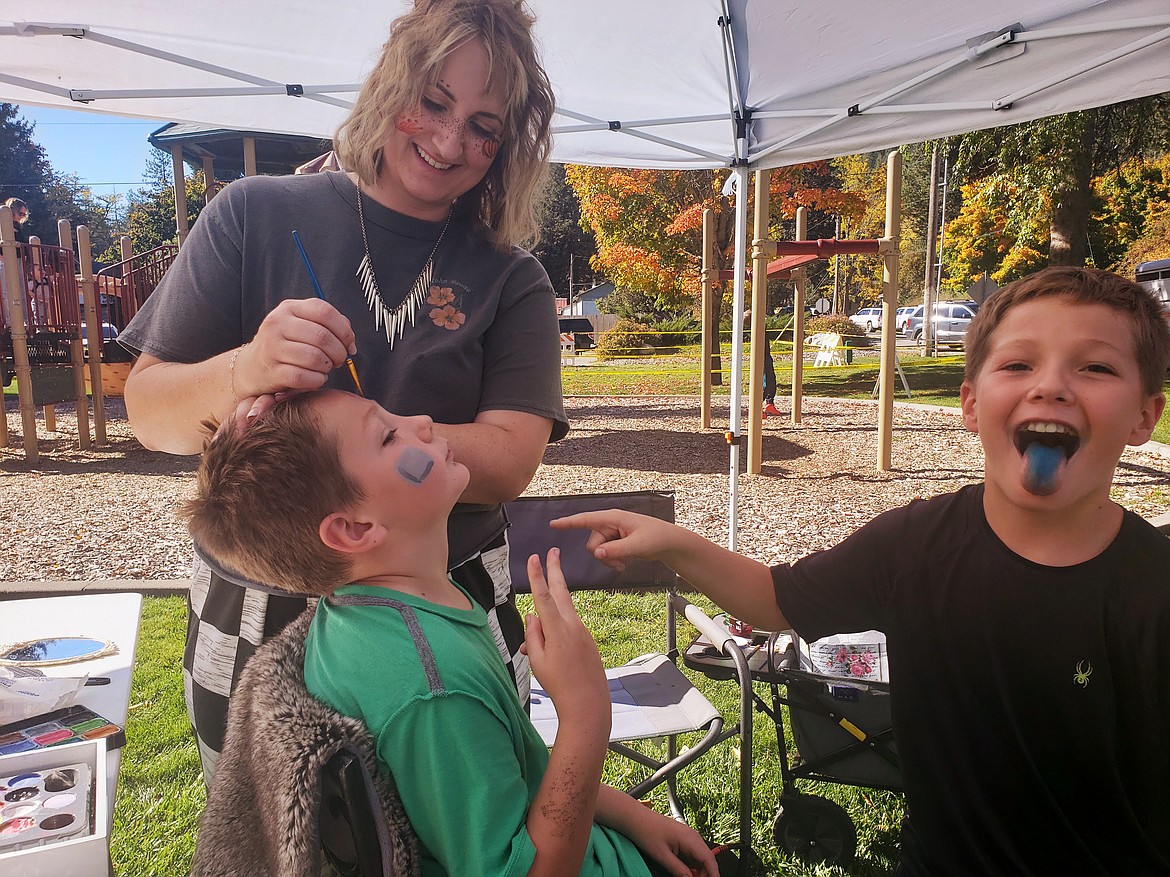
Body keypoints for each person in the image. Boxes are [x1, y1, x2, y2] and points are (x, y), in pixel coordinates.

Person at [554, 266, 1170, 874]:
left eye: (1095, 367)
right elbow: (778, 600)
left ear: (1146, 417)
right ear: (971, 403)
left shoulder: (1153, 588)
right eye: (1018, 364)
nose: (1051, 387)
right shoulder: (914, 545)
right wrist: (674, 544)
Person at [119, 0, 568, 783]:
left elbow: (509, 457)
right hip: (257, 599)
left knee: (469, 827)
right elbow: (149, 413)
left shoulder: (513, 275)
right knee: (266, 835)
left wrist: (362, 439)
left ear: (504, 148)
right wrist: (246, 371)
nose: (449, 139)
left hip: (453, 603)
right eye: (433, 102)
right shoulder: (252, 213)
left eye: (483, 127)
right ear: (393, 86)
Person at [184, 388, 719, 877]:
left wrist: (637, 818)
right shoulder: (431, 685)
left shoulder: (379, 612)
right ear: (354, 529)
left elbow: (528, 771)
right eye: (388, 434)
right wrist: (585, 715)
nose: (421, 419)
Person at [743, 308, 779, 416]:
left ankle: (769, 403)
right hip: (762, 358)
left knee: (771, 380)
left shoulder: (760, 328)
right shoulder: (756, 330)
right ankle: (758, 407)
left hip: (766, 356)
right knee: (766, 382)